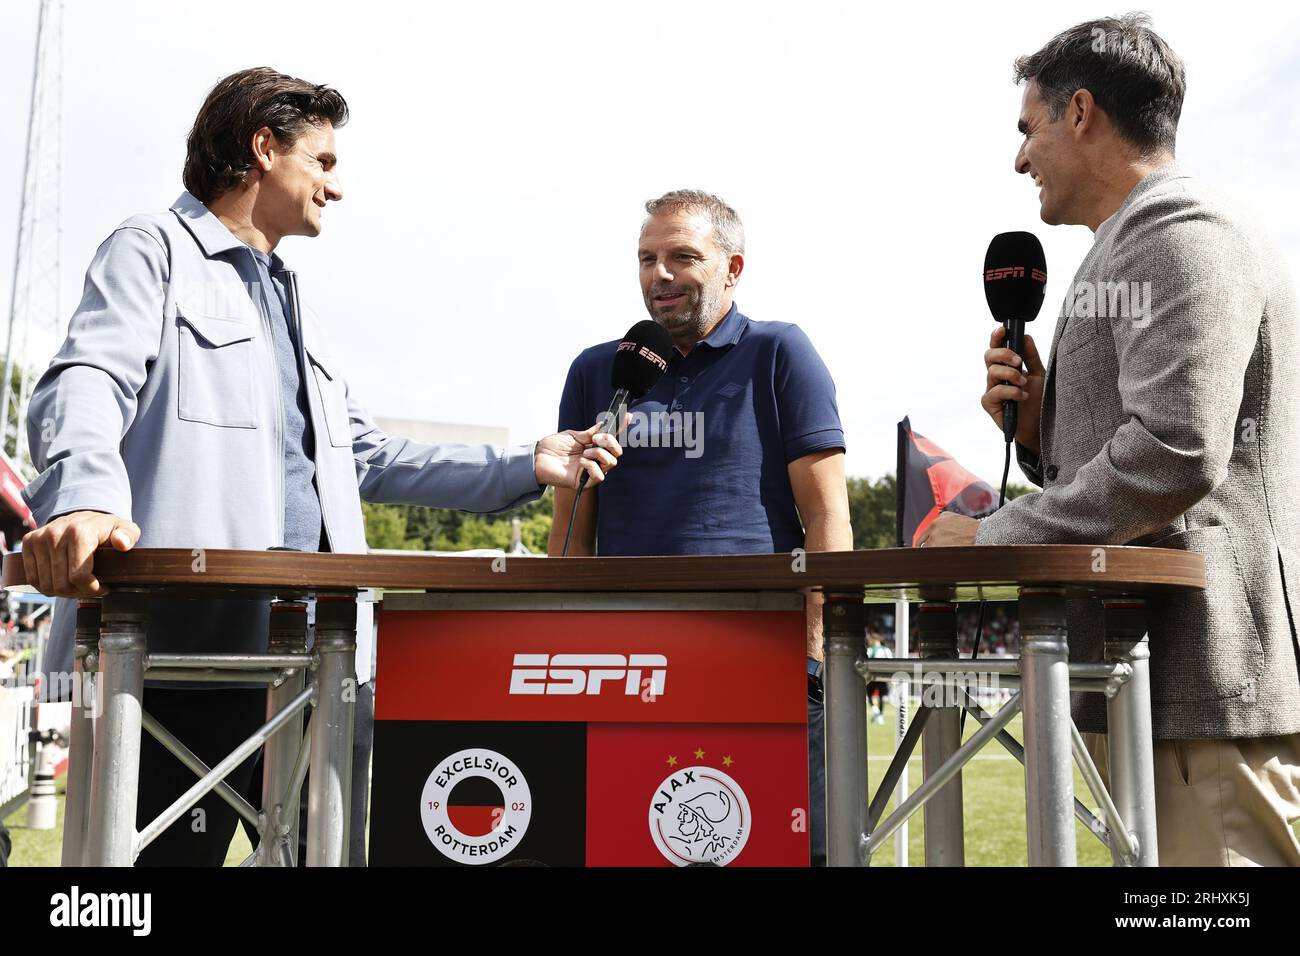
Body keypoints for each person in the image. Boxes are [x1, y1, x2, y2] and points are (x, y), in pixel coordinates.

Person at [20, 67, 623, 866]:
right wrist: (83, 499)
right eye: (324, 162)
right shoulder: (151, 249)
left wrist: (527, 463)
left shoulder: (294, 302)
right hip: (181, 661)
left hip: (319, 657)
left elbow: (366, 455)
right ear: (264, 148)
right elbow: (86, 381)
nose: (336, 187)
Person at [919, 15, 1300, 865]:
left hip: (1201, 679)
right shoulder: (1131, 239)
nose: (1020, 159)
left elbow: (1175, 451)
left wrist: (992, 536)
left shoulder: (1179, 230)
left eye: (1028, 129)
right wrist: (1040, 429)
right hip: (1152, 678)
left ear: (1081, 112)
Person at [548, 189, 852, 866]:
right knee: (627, 846)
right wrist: (564, 641)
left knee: (787, 848)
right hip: (629, 663)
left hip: (761, 654)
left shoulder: (780, 351)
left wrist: (815, 647)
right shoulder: (598, 370)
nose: (660, 274)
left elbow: (827, 513)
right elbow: (571, 527)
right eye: (646, 258)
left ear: (732, 267)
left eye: (682, 257)